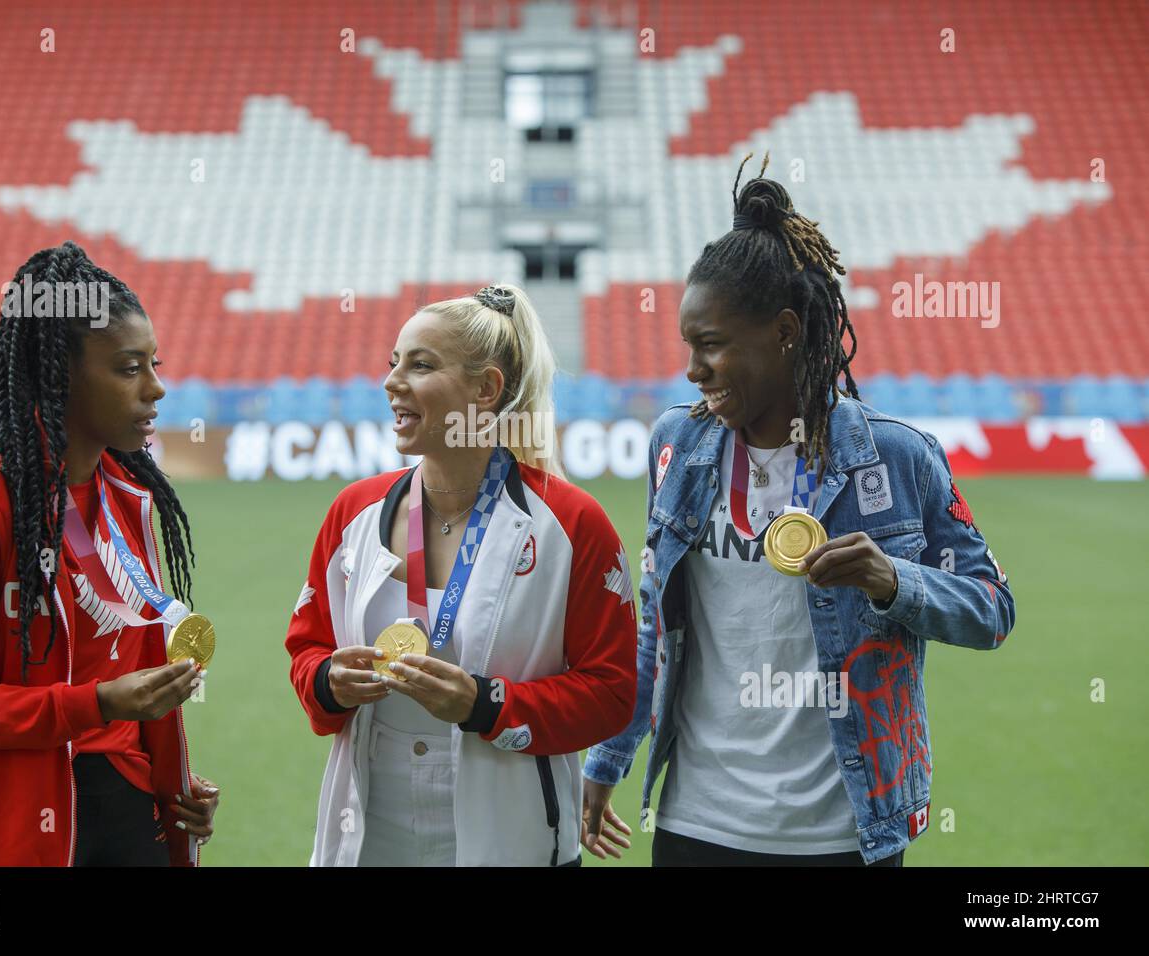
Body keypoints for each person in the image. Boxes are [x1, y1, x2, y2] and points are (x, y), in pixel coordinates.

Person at [581, 157, 1017, 867]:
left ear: (785, 332)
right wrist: (608, 759)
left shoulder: (898, 456)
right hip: (699, 825)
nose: (693, 370)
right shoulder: (677, 445)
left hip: (846, 834)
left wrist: (893, 581)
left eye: (713, 346)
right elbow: (653, 623)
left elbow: (992, 610)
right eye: (689, 347)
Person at [286, 283, 637, 866]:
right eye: (393, 362)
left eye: (420, 365)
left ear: (486, 388)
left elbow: (611, 692)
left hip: (515, 840)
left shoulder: (573, 525)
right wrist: (327, 680)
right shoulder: (353, 513)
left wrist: (488, 705)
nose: (392, 381)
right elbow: (306, 647)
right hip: (370, 839)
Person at [0, 241, 220, 866]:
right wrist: (96, 704)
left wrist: (172, 783)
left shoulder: (130, 501)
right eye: (130, 369)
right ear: (60, 377)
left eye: (154, 364)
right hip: (14, 832)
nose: (156, 388)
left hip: (131, 823)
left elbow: (135, 686)